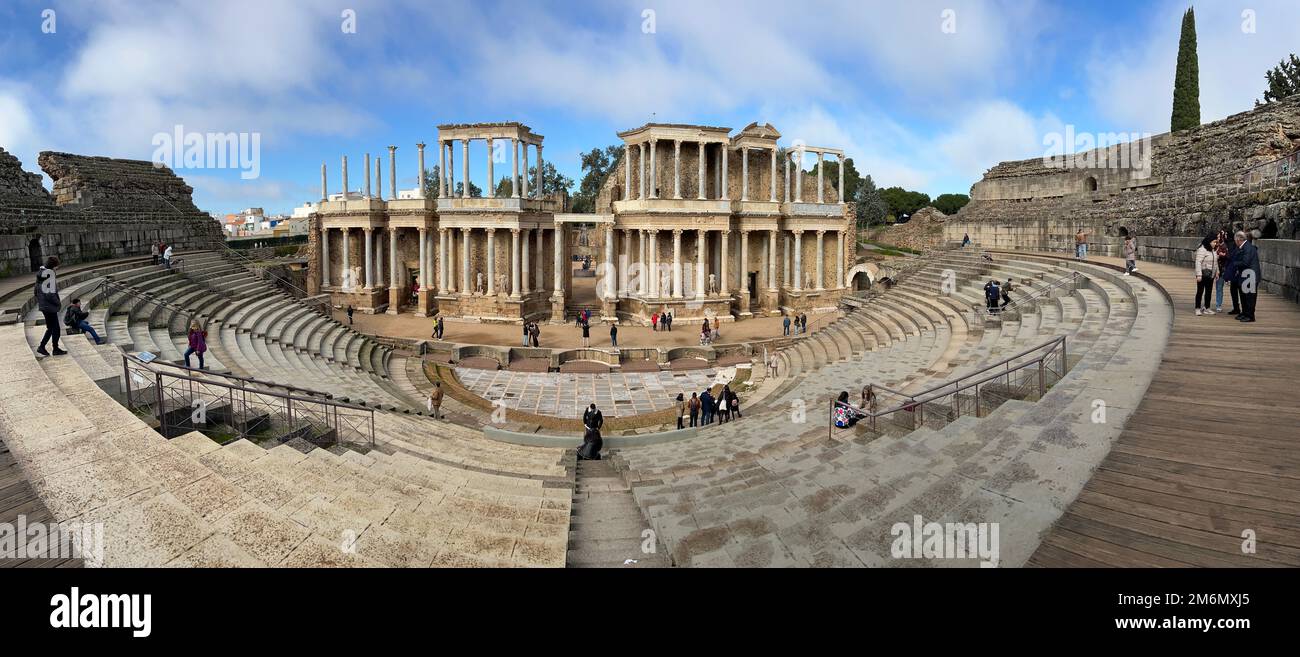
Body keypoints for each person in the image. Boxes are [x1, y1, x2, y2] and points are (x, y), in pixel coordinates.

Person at [34, 257, 65, 357]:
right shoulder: (49, 276)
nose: (57, 269)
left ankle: (53, 348)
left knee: (53, 328)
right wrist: (58, 303)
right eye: (57, 267)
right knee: (53, 328)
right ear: (53, 266)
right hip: (50, 306)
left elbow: (35, 291)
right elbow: (50, 294)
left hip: (44, 306)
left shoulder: (41, 274)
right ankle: (44, 347)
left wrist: (41, 301)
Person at [1235, 230, 1261, 323]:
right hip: (1247, 275)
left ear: (1238, 240)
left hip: (1251, 275)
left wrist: (1235, 263)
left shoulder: (1247, 247)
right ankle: (1246, 313)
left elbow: (1245, 262)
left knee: (1250, 297)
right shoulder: (1246, 246)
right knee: (1245, 296)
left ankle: (1250, 316)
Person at [1194, 235, 1217, 316]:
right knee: (1200, 291)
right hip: (1203, 274)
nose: (1215, 243)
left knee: (1209, 292)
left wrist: (1216, 272)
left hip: (1210, 275)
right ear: (1209, 242)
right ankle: (1197, 308)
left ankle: (1207, 307)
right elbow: (1198, 262)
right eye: (1213, 242)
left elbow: (1215, 262)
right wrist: (1199, 275)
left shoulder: (1213, 250)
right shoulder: (1202, 250)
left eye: (1215, 242)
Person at [1214, 230, 1230, 312]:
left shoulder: (1224, 246)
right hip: (1212, 268)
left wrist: (1222, 255)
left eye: (1220, 237)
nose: (1219, 238)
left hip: (1221, 269)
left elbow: (1228, 257)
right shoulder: (1213, 245)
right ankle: (1206, 305)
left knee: (1219, 287)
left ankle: (1218, 304)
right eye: (1217, 237)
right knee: (1208, 287)